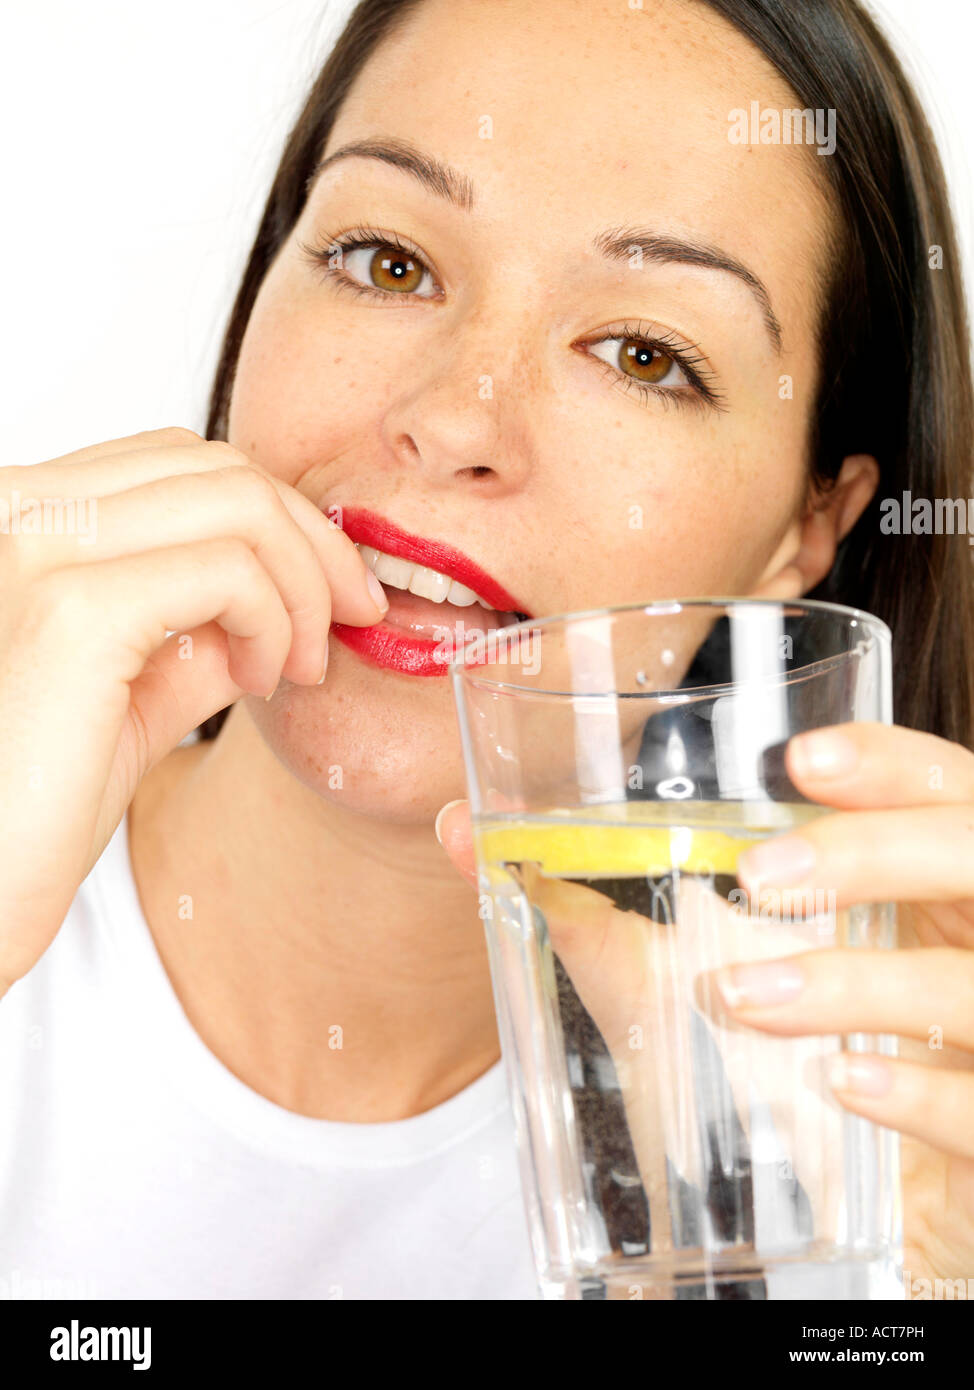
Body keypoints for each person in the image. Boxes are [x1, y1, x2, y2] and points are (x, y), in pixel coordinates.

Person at [0, 0, 971, 1301]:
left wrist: (912, 1290)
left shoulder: (854, 1162)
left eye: (642, 354)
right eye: (386, 260)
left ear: (807, 529)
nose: (456, 415)